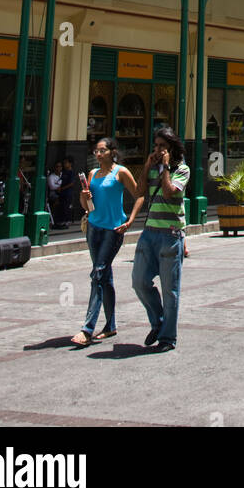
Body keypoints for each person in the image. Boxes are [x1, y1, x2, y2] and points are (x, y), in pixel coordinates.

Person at [71, 138, 143, 347]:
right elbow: (85, 204)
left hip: (113, 229)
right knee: (104, 276)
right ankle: (110, 325)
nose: (98, 154)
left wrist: (130, 220)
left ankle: (87, 329)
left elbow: (139, 194)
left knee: (99, 272)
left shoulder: (120, 172)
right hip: (94, 228)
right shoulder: (92, 175)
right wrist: (84, 196)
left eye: (102, 150)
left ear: (113, 152)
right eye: (96, 151)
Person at [132, 126, 190, 351]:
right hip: (149, 233)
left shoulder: (182, 169)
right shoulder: (153, 167)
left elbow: (168, 192)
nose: (158, 150)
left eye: (162, 146)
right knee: (139, 281)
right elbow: (139, 191)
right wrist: (147, 166)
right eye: (155, 146)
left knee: (170, 290)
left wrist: (165, 166)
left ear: (172, 149)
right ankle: (158, 321)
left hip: (171, 234)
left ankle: (167, 338)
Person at [56, 156, 76, 228]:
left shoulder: (71, 172)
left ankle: (66, 221)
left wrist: (62, 188)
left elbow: (72, 183)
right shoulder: (64, 172)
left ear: (70, 164)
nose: (64, 164)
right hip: (62, 192)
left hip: (68, 192)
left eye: (66, 163)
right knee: (62, 206)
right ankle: (61, 221)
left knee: (66, 207)